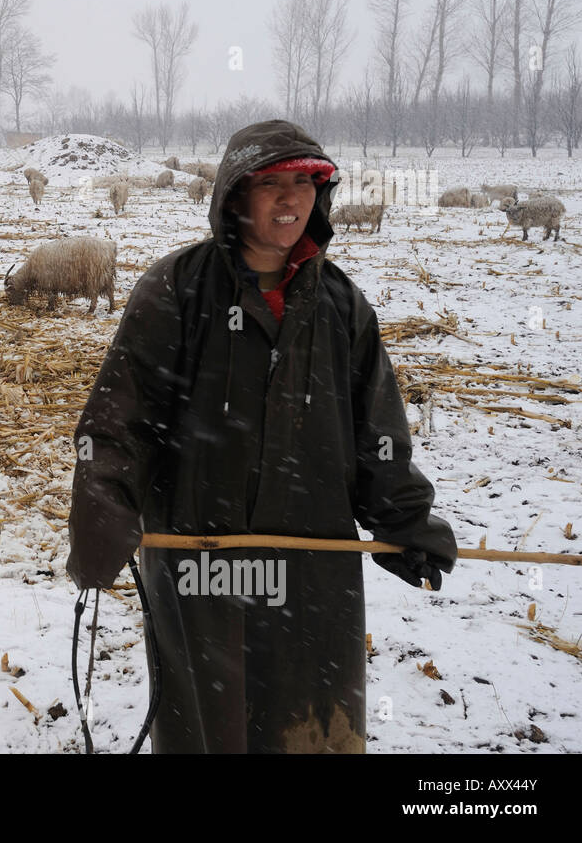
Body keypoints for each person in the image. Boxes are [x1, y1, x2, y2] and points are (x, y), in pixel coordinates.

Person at [66, 119, 457, 753]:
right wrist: (103, 510)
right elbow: (119, 422)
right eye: (271, 183)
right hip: (201, 560)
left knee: (310, 721)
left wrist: (406, 523)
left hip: (311, 566)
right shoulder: (176, 290)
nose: (289, 200)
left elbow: (379, 436)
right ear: (235, 196)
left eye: (304, 184)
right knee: (206, 728)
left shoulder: (341, 306)